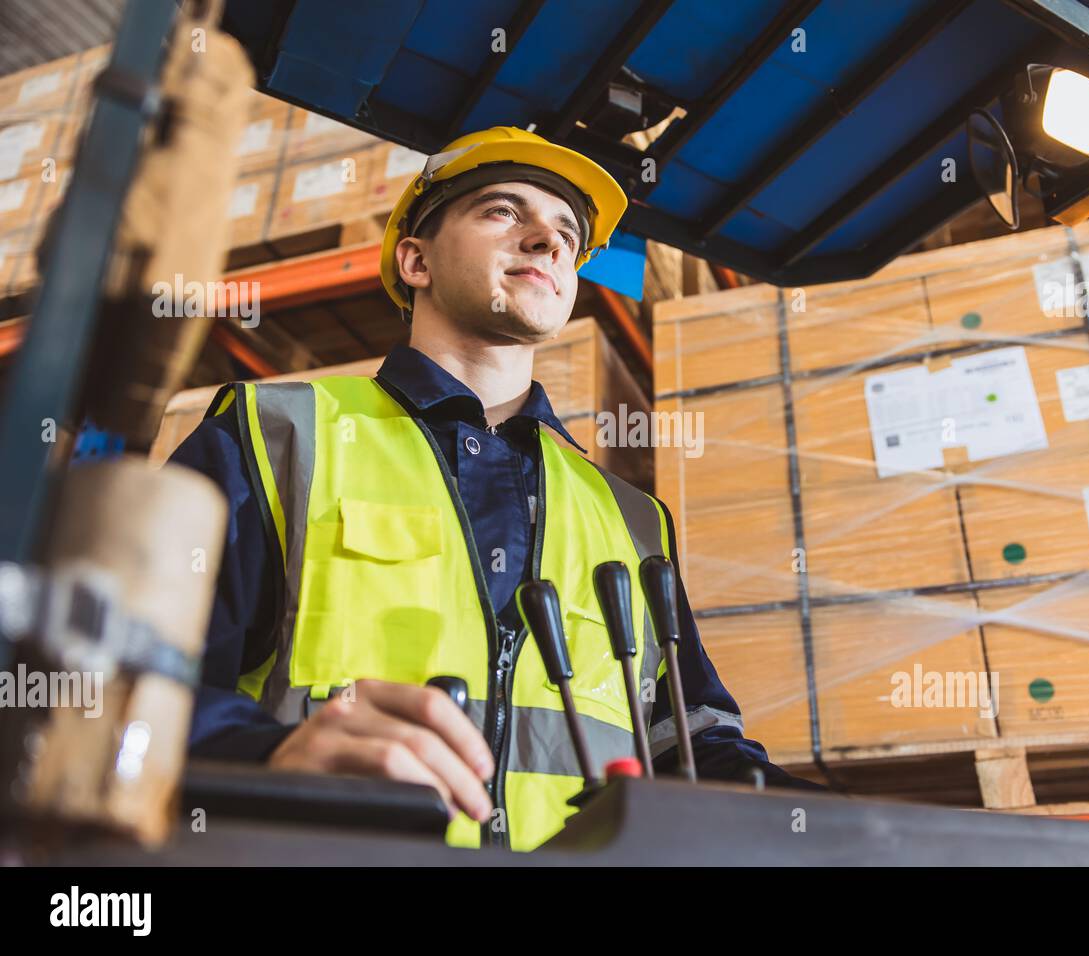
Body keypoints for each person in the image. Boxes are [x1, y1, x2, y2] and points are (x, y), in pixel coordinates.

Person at [171, 125, 821, 852]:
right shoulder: (275, 435)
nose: (548, 241)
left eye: (567, 236)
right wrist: (266, 758)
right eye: (505, 212)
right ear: (415, 259)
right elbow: (122, 681)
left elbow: (688, 746)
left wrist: (850, 828)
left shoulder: (632, 518)